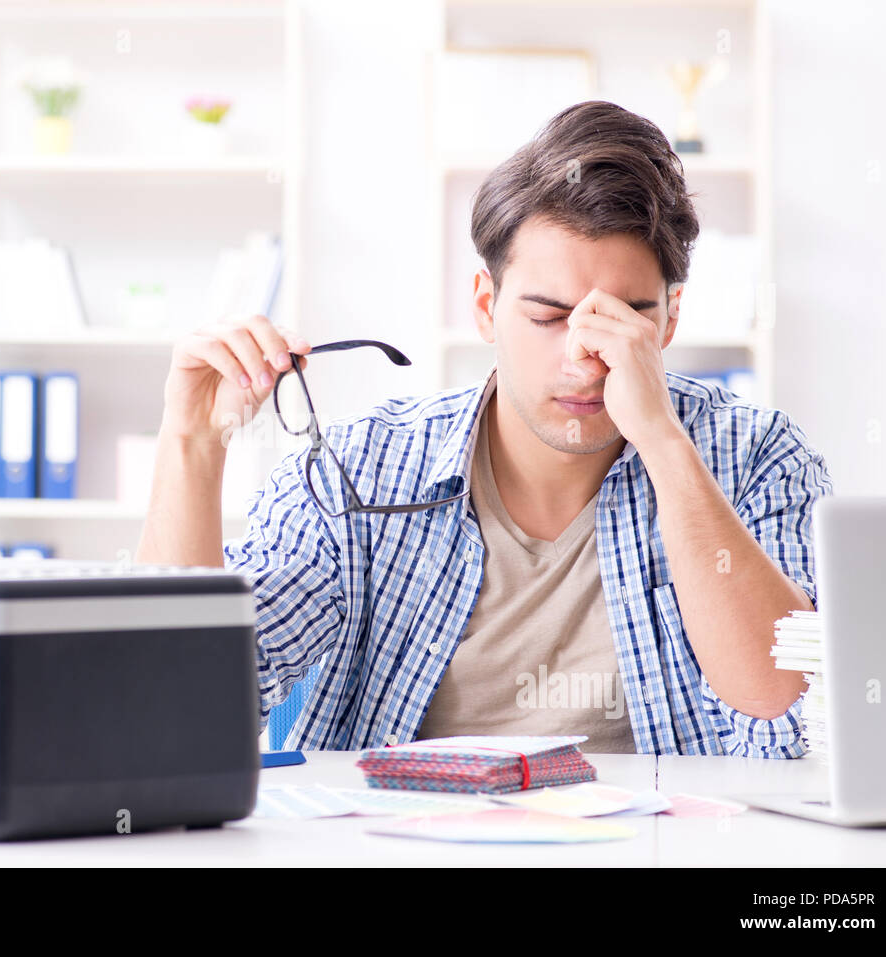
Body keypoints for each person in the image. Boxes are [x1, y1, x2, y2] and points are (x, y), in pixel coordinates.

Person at [135, 100, 832, 758]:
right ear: (484, 305)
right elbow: (178, 710)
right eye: (547, 315)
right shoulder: (364, 470)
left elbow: (773, 691)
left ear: (669, 320)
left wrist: (662, 439)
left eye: (623, 319)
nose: (584, 358)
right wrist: (192, 444)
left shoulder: (758, 457)